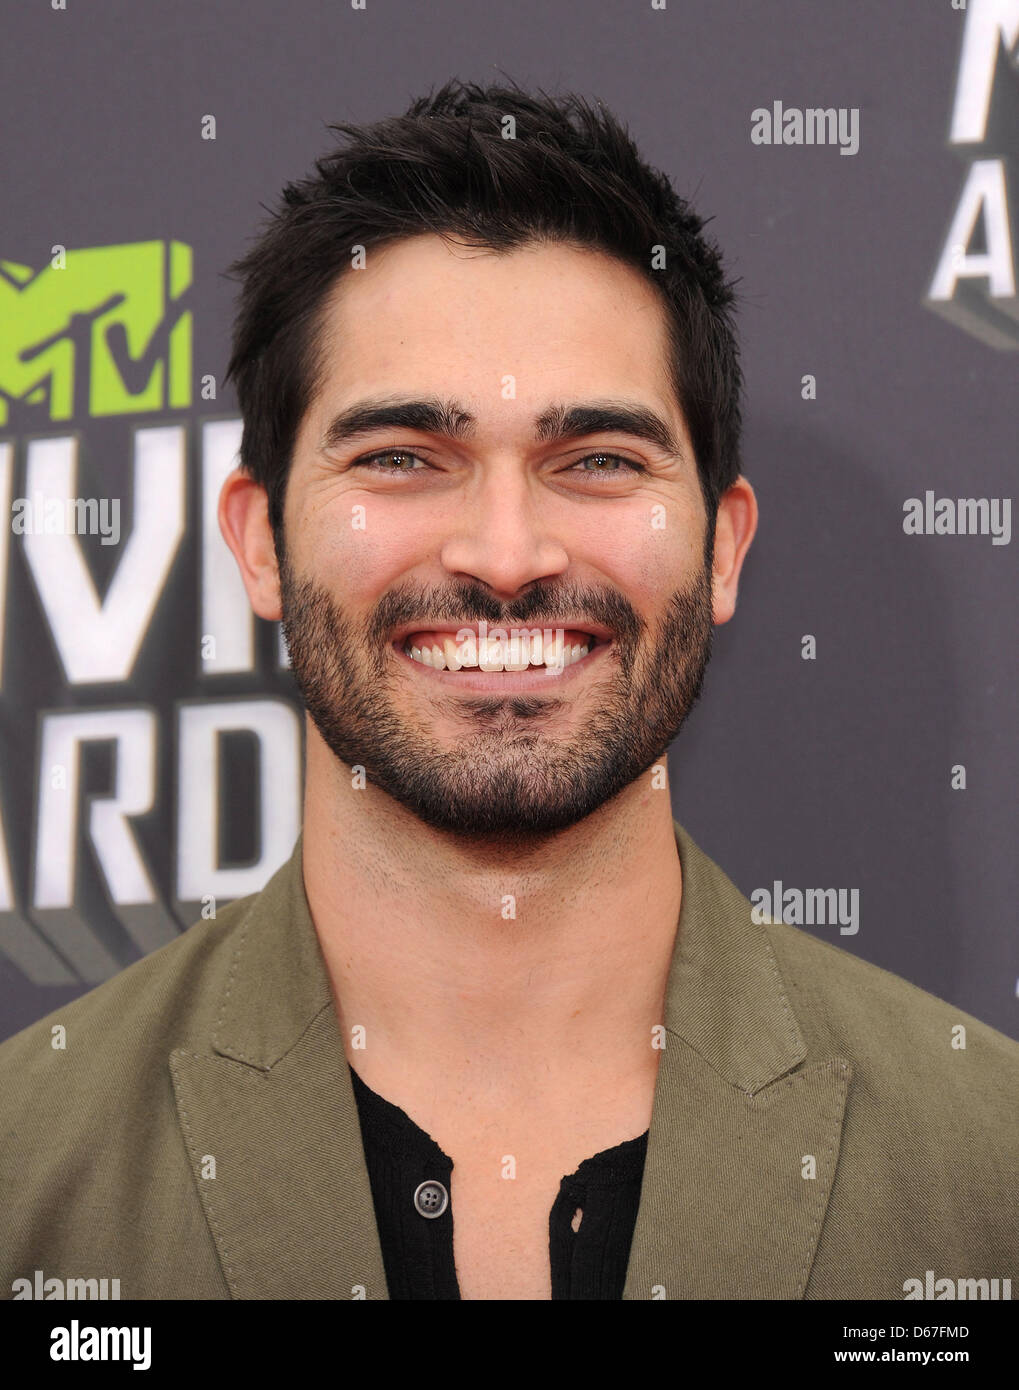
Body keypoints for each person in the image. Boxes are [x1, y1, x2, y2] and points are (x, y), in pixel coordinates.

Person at [1, 79, 1016, 1302]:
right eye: (400, 458)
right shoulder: (28, 1173)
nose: (504, 552)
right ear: (260, 543)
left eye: (594, 459)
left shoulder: (984, 1173)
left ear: (722, 547)